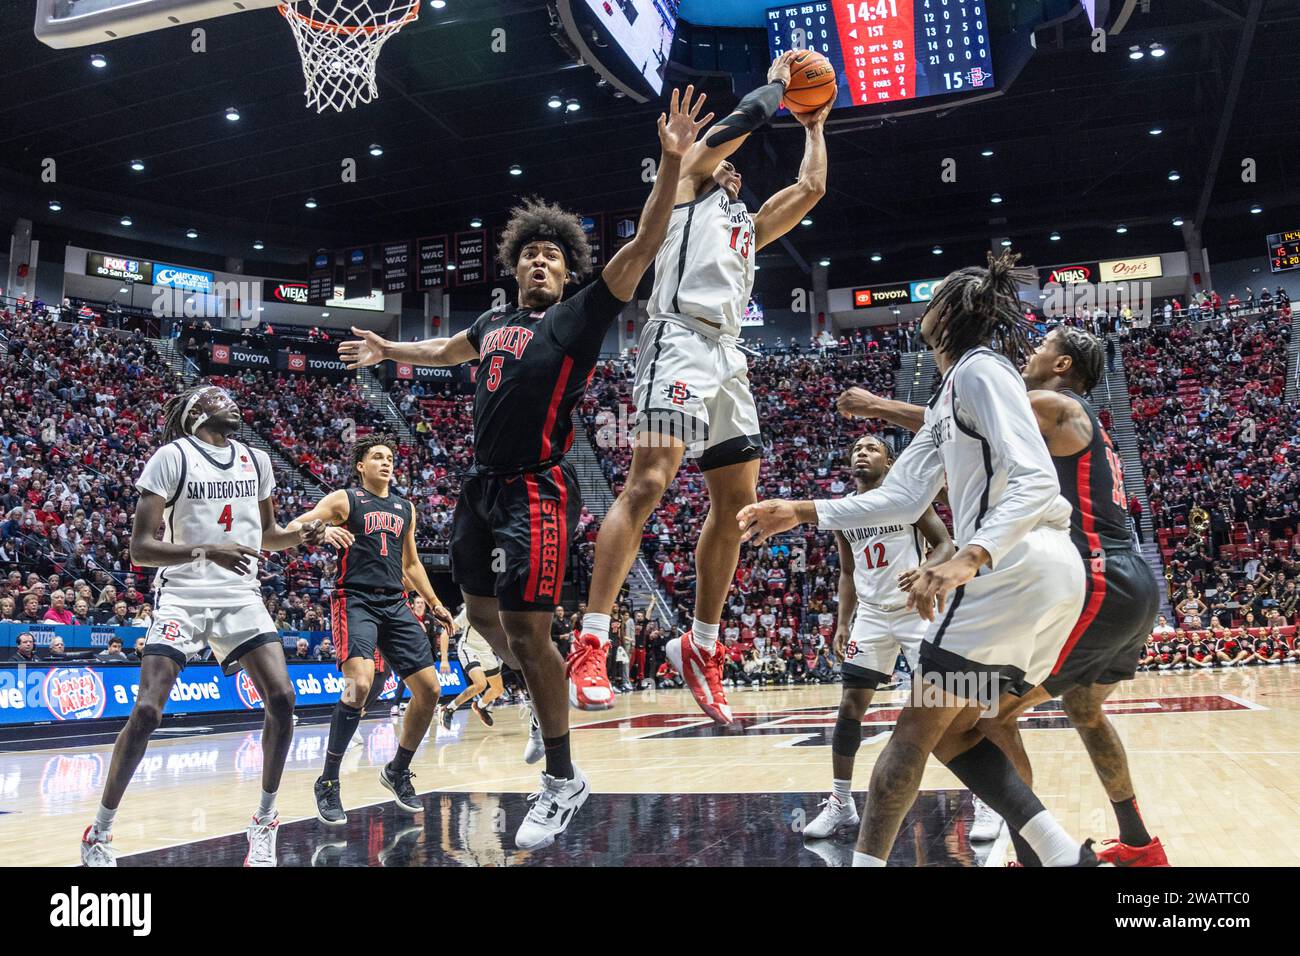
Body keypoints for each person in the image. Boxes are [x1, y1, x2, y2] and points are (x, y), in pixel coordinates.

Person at [337, 88, 709, 850]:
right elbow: (446, 352)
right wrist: (387, 350)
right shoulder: (491, 322)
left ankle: (563, 774)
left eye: (553, 256)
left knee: (532, 635)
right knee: (481, 618)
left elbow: (643, 242)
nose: (541, 261)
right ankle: (549, 700)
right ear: (514, 266)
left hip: (538, 488)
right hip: (479, 487)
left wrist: (670, 163)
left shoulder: (578, 317)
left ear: (568, 273)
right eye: (531, 253)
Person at [739, 252, 1098, 867]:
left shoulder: (984, 371)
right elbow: (902, 498)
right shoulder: (952, 393)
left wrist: (967, 557)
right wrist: (800, 510)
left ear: (952, 314)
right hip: (1038, 576)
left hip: (1014, 566)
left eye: (932, 302)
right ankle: (1063, 856)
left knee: (911, 736)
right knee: (958, 730)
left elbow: (1037, 480)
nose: (921, 311)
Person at [838, 325, 1168, 866]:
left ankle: (1041, 858)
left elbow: (958, 427)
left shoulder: (1046, 402)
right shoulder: (1082, 421)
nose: (1029, 353)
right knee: (1084, 710)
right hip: (1127, 586)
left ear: (1062, 365)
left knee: (968, 721)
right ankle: (1137, 843)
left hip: (1093, 579)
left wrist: (878, 406)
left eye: (1041, 347)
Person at [570, 53, 834, 727]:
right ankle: (593, 639)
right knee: (649, 483)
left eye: (733, 161)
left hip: (728, 356)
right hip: (678, 339)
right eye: (723, 156)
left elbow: (809, 190)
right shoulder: (683, 185)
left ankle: (702, 643)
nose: (731, 161)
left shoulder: (746, 223)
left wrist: (816, 124)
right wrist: (779, 80)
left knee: (739, 510)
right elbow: (744, 119)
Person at [80, 384, 327, 868]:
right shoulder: (171, 457)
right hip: (183, 595)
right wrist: (208, 550)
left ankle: (264, 821)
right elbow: (140, 550)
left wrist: (304, 533)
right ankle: (100, 832)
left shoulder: (257, 461)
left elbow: (270, 537)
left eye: (231, 397)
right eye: (216, 399)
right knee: (148, 711)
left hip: (240, 596)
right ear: (196, 414)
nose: (230, 401)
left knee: (282, 698)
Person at [289, 433, 454, 827]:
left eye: (390, 457)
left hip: (395, 602)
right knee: (359, 685)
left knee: (430, 690)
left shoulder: (405, 508)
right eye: (377, 457)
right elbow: (297, 525)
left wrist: (435, 604)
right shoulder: (345, 499)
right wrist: (322, 531)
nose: (386, 462)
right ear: (361, 466)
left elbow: (412, 565)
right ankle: (328, 781)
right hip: (355, 599)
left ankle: (397, 770)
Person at [803, 434, 954, 839]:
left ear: (888, 463)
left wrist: (927, 571)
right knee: (850, 705)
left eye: (871, 448)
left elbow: (945, 545)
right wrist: (842, 622)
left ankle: (982, 800)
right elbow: (848, 572)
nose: (861, 453)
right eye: (855, 449)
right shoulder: (843, 512)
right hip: (870, 616)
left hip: (914, 610)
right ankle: (841, 803)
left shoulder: (907, 498)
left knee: (945, 705)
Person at [439, 605, 508, 731]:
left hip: (486, 652)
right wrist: (444, 660)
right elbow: (445, 633)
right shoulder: (472, 611)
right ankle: (448, 709)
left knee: (498, 689)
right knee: (480, 684)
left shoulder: (503, 614)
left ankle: (480, 706)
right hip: (468, 648)